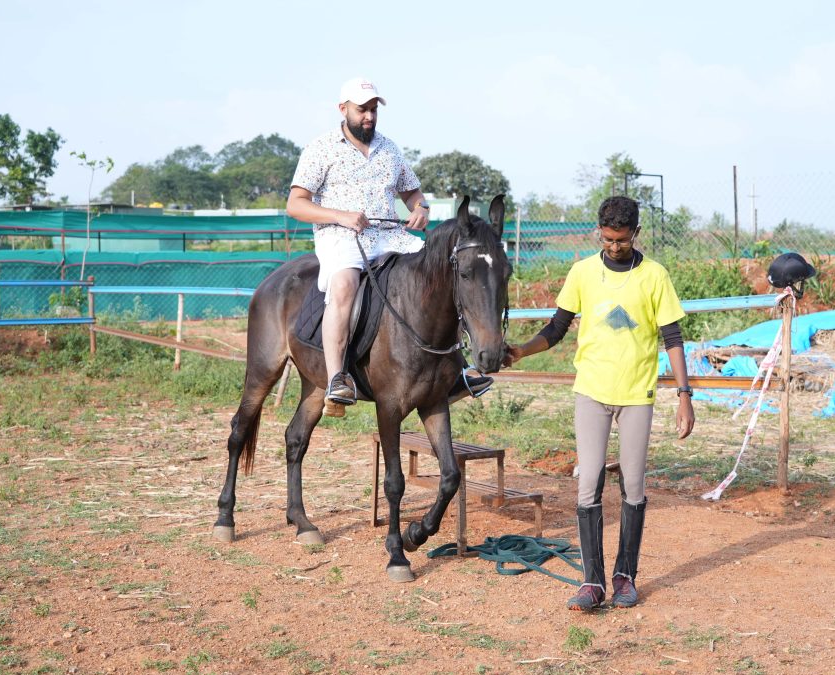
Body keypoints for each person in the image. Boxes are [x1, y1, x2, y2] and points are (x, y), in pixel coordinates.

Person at [503, 196, 695, 611]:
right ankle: (592, 582)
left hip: (636, 395)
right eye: (607, 239)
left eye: (621, 240)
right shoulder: (582, 273)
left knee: (634, 484)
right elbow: (556, 329)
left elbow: (673, 339)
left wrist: (684, 395)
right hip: (591, 392)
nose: (613, 246)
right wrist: (520, 350)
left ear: (635, 234)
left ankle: (625, 577)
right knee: (588, 481)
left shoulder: (654, 276)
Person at [286, 77, 491, 410]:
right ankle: (338, 378)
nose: (369, 116)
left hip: (390, 235)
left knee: (442, 274)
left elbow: (412, 192)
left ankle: (459, 368)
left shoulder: (389, 148)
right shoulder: (320, 148)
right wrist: (341, 215)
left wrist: (419, 208)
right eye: (362, 109)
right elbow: (295, 204)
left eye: (373, 110)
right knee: (344, 285)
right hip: (341, 235)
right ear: (343, 109)